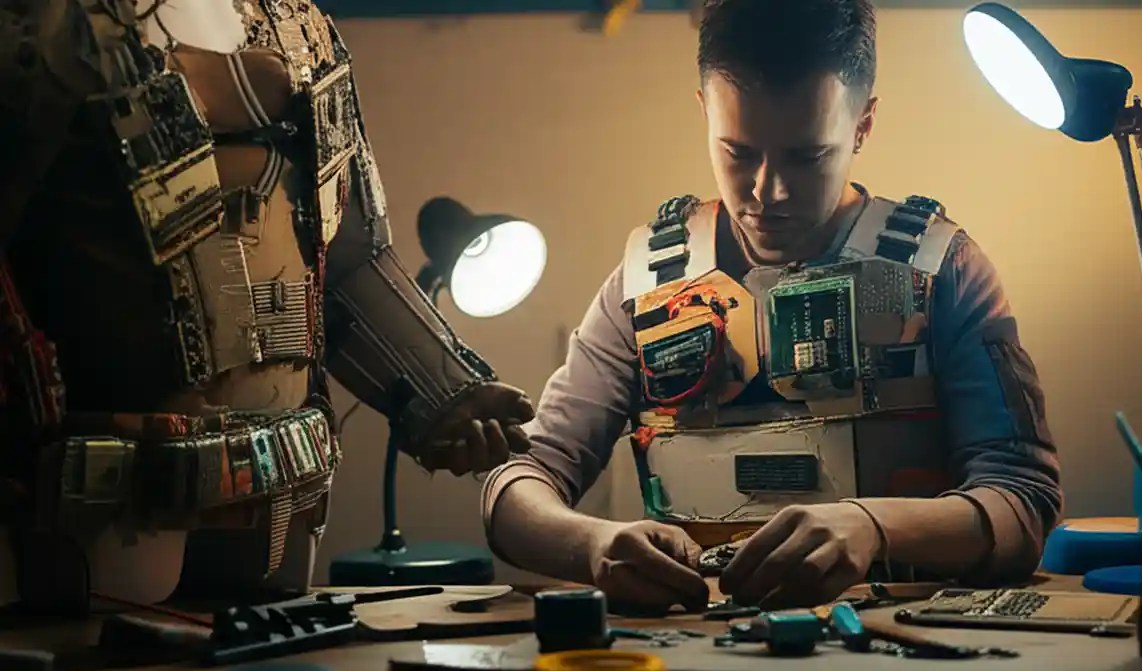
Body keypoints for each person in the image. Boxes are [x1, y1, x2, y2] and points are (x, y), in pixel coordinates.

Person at [480, 0, 1062, 614]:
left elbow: (1024, 502)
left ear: (863, 125)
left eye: (806, 157)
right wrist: (594, 545)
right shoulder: (646, 284)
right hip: (695, 648)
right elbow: (517, 486)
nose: (766, 192)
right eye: (738, 152)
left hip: (896, 645)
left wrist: (873, 528)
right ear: (703, 110)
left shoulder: (942, 271)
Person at [0, 0, 531, 609]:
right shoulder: (39, 27)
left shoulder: (293, 22)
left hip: (285, 498)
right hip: (99, 511)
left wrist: (444, 393)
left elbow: (343, 253)